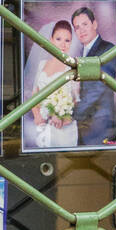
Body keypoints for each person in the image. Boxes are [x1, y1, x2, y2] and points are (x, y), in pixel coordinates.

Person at [71, 5, 116, 146]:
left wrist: (73, 115)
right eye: (77, 27)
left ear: (95, 24)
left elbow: (97, 88)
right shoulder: (82, 50)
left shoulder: (107, 48)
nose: (81, 30)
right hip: (86, 123)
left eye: (85, 24)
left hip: (101, 123)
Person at [28, 20, 81, 150]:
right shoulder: (42, 64)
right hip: (40, 123)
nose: (63, 44)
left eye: (67, 40)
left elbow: (75, 99)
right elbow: (35, 93)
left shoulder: (73, 67)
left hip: (61, 125)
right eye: (58, 39)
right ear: (51, 40)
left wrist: (59, 115)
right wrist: (37, 115)